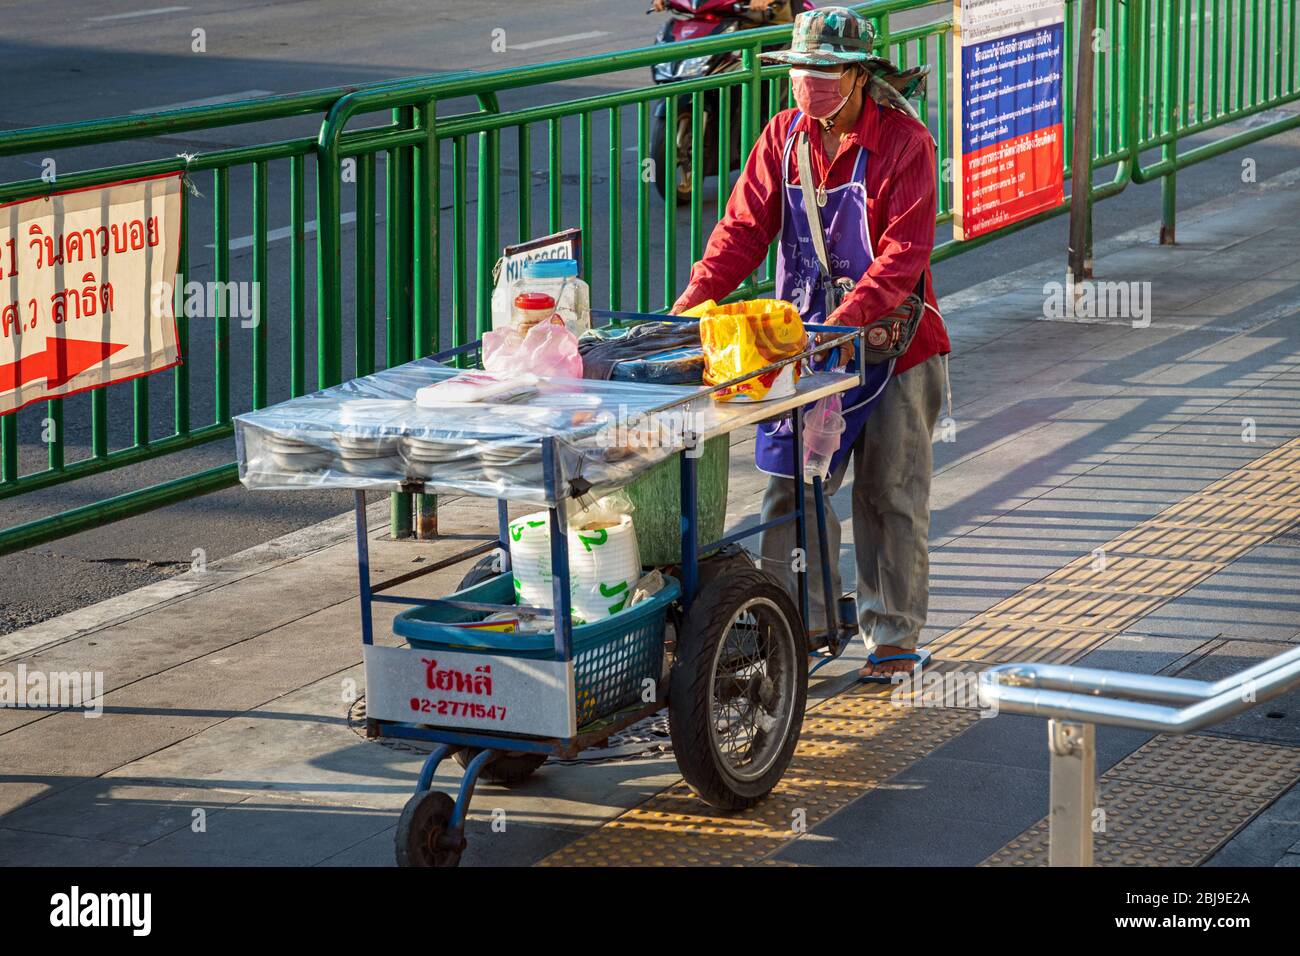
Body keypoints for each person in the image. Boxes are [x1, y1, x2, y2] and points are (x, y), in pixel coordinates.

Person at [671, 6, 951, 683]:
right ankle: (794, 627)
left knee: (890, 495)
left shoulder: (906, 143)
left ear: (858, 76)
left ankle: (894, 641)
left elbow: (904, 253)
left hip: (891, 347)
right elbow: (740, 232)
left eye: (824, 73)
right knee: (790, 490)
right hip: (800, 348)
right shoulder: (782, 137)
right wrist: (693, 303)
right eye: (801, 73)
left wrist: (846, 323)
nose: (809, 85)